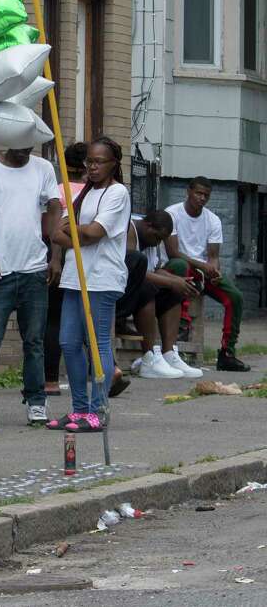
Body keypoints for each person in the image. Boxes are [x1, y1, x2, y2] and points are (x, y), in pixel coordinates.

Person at [0, 146, 59, 424]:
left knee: (34, 342)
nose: (25, 147)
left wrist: (56, 255)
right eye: (20, 141)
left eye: (30, 142)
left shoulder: (43, 168)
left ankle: (36, 400)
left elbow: (54, 210)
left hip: (34, 269)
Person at [49, 136, 130, 433]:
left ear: (113, 164)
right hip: (74, 277)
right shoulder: (83, 195)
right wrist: (79, 233)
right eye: (89, 162)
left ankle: (99, 410)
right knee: (68, 343)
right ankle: (79, 409)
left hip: (102, 278)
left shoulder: (117, 193)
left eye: (99, 162)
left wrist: (77, 232)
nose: (93, 167)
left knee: (97, 344)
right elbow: (56, 233)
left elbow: (96, 232)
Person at [165, 177, 247, 371]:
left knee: (235, 297)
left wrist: (214, 270)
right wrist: (203, 265)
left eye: (206, 195)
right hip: (178, 268)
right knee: (179, 265)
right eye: (198, 193)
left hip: (202, 272)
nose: (202, 198)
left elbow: (213, 256)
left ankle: (227, 353)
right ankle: (181, 332)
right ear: (188, 191)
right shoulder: (172, 214)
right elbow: (173, 252)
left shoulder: (213, 220)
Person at [123, 210, 202, 378]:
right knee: (148, 288)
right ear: (148, 225)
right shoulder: (129, 231)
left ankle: (168, 354)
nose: (158, 242)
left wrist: (178, 281)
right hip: (120, 292)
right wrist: (171, 281)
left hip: (137, 293)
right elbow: (134, 272)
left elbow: (156, 269)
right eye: (157, 237)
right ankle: (148, 358)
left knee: (173, 293)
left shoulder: (152, 241)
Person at [44, 142, 87, 396]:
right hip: (89, 256)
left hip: (58, 255)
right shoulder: (95, 193)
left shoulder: (56, 192)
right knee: (90, 316)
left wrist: (55, 258)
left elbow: (49, 230)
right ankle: (104, 370)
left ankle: (50, 380)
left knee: (54, 319)